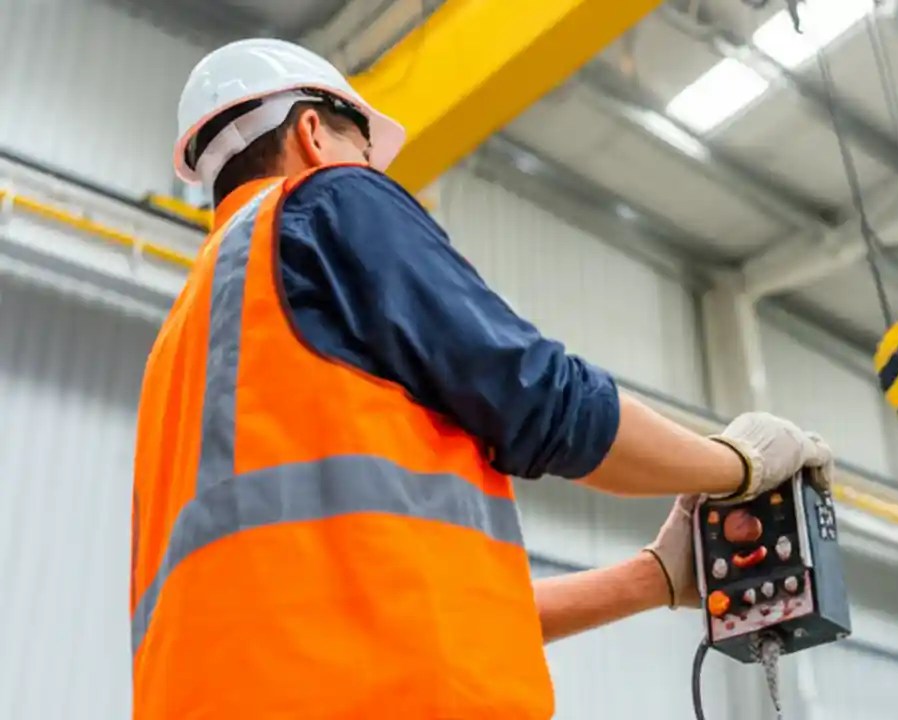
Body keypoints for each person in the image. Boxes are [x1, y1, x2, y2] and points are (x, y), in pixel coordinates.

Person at [130, 38, 835, 719]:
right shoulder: (327, 204)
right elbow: (542, 399)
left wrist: (652, 579)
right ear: (314, 133)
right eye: (365, 153)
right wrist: (738, 465)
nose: (372, 175)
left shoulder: (185, 345)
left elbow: (423, 616)